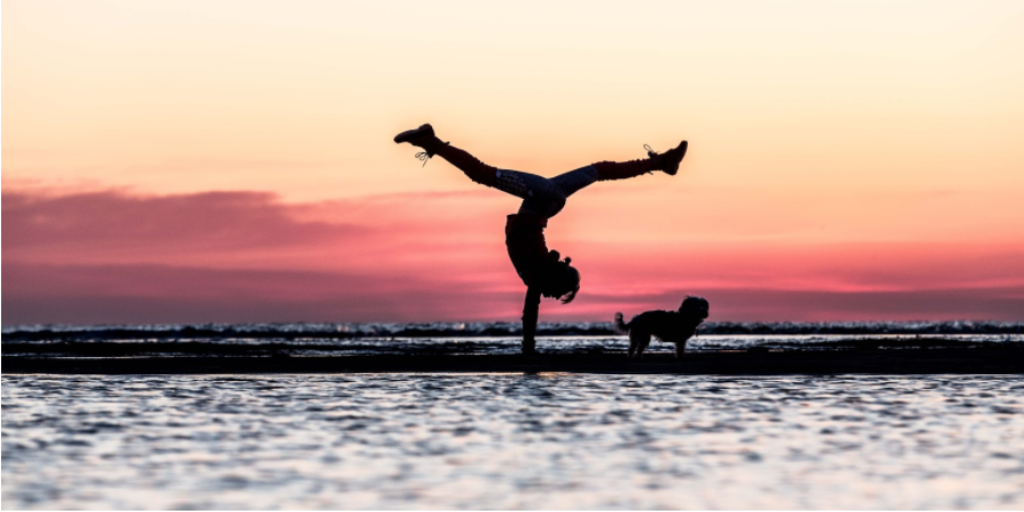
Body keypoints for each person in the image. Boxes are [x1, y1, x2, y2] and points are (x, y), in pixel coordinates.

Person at [395, 124, 687, 354]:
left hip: (548, 202)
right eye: (558, 293)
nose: (551, 297)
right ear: (556, 280)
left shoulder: (541, 271)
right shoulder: (539, 274)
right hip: (542, 197)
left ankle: (663, 163)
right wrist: (528, 349)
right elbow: (529, 314)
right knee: (483, 174)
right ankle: (430, 141)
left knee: (600, 171)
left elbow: (533, 305)